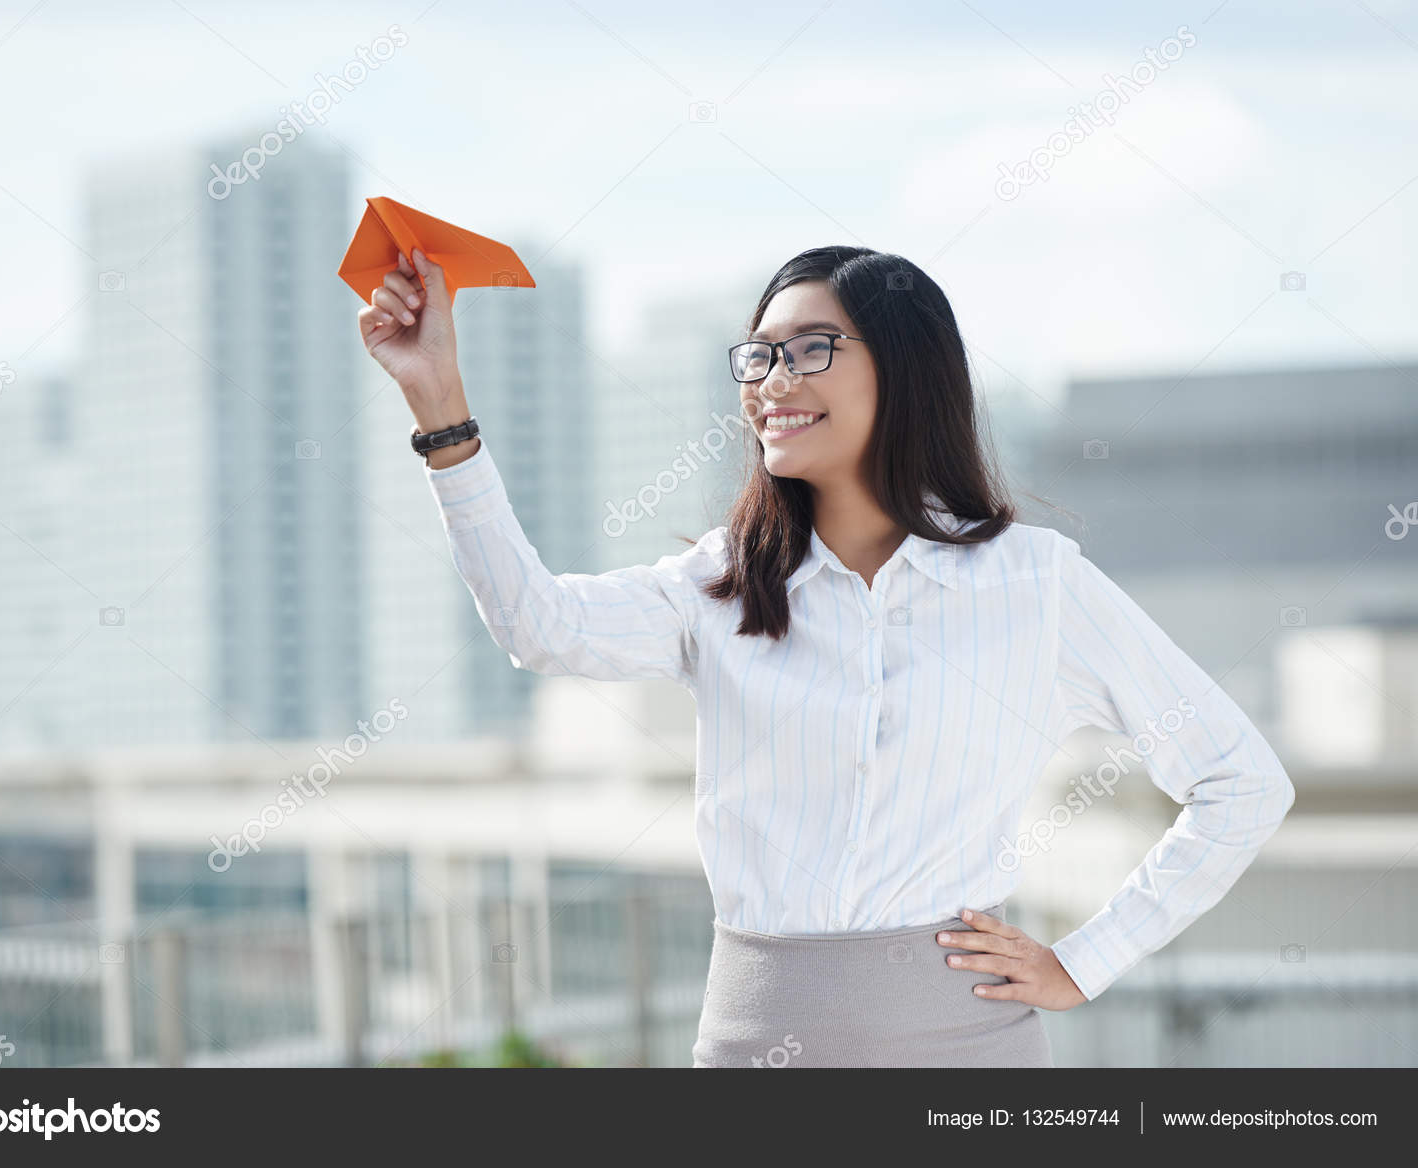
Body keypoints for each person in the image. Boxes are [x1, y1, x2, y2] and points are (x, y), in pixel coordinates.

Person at [357, 243, 1296, 1068]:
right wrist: (439, 403)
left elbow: (1241, 782)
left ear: (907, 370)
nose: (772, 379)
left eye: (811, 349)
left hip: (969, 1054)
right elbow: (537, 624)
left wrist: (1084, 963)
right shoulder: (720, 584)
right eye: (759, 355)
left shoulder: (1034, 584)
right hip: (756, 1049)